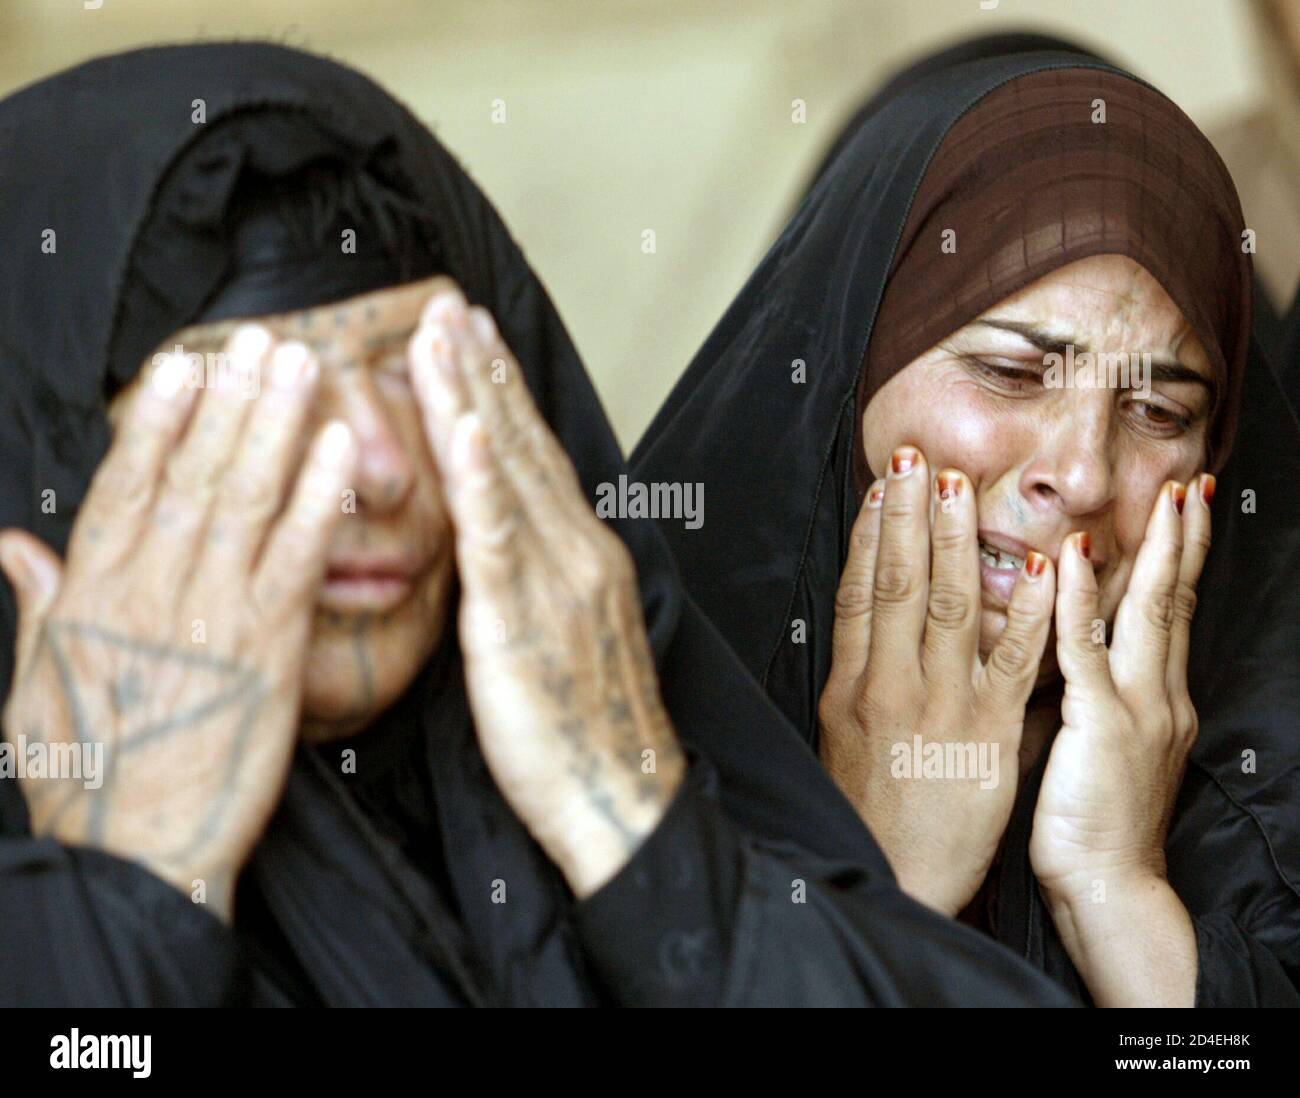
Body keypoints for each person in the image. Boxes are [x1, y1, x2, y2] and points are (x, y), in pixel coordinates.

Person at [0, 41, 1077, 1007]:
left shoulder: (646, 778)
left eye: (414, 366)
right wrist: (124, 903)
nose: (375, 468)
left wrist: (629, 824)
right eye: (255, 401)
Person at [631, 47, 1300, 1006]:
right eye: (1011, 373)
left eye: (1160, 412)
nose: (1079, 475)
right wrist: (881, 888)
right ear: (855, 365)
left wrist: (1119, 898)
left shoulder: (1266, 814)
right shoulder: (627, 756)